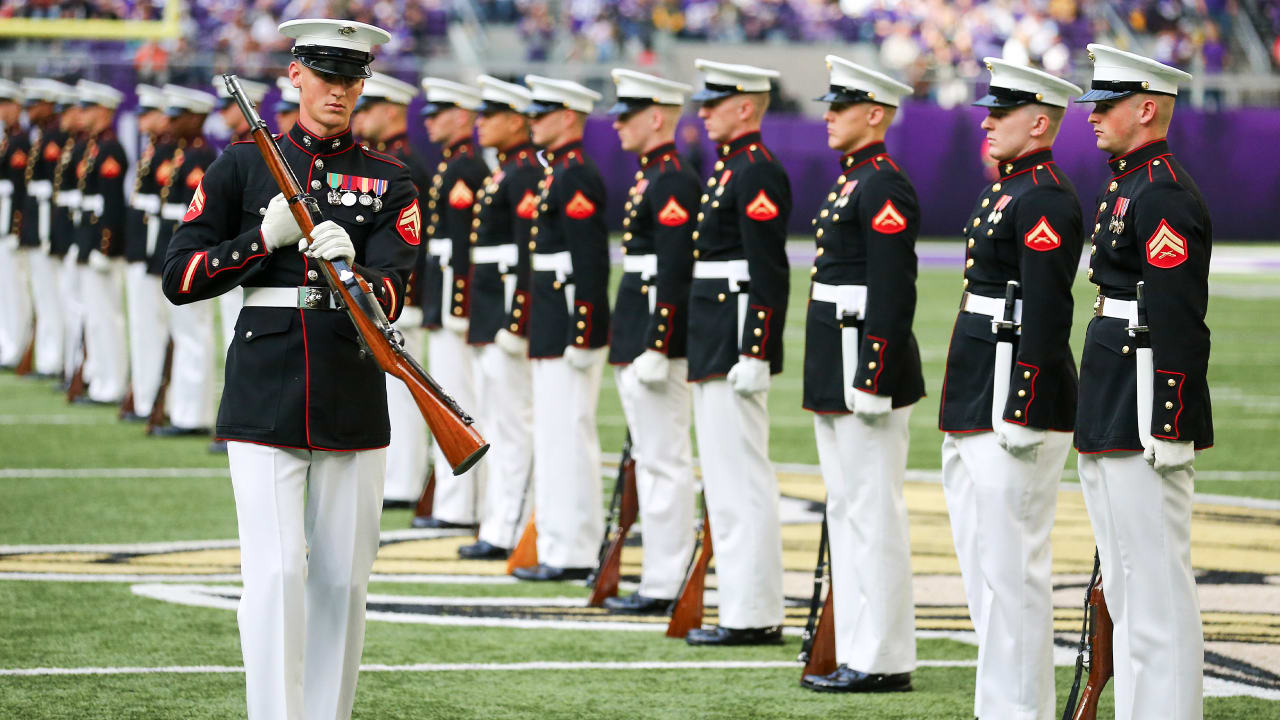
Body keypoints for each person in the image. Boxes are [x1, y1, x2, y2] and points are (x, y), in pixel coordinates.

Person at [162, 18, 417, 720]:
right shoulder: (242, 166)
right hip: (265, 380)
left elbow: (397, 289)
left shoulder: (390, 180)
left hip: (351, 381)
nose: (338, 91)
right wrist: (259, 239)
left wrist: (355, 274)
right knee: (274, 576)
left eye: (350, 78)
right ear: (295, 76)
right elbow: (180, 275)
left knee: (342, 583)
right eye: (325, 76)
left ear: (363, 85)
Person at [938, 58, 1084, 717]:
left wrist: (1024, 406)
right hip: (979, 390)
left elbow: (1048, 314)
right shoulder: (1010, 189)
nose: (989, 121)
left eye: (1003, 112)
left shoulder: (1045, 196)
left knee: (1011, 572)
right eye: (990, 111)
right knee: (984, 570)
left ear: (1042, 120)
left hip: (1012, 398)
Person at [1073, 43, 1210, 720]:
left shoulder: (1160, 191)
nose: (1092, 115)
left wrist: (1171, 420)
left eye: (1107, 103)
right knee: (1126, 585)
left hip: (1143, 398)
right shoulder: (1130, 182)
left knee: (1154, 584)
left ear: (1147, 107)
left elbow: (1178, 320)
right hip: (1113, 392)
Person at [797, 56, 923, 691]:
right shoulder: (855, 181)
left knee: (872, 512)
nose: (827, 116)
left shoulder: (882, 185)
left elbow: (893, 290)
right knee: (848, 509)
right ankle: (856, 645)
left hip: (862, 368)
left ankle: (883, 656)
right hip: (837, 362)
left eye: (839, 106)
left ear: (874, 113)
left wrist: (874, 375)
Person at [683, 59, 790, 645]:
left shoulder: (755, 171)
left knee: (741, 478)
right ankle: (741, 606)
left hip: (733, 337)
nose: (702, 112)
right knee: (723, 480)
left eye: (714, 102)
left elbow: (766, 270)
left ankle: (754, 612)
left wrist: (756, 349)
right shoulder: (731, 169)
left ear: (746, 105)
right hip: (714, 333)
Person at [601, 68, 698, 614]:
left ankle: (666, 580)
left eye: (628, 116)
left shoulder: (672, 179)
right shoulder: (652, 176)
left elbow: (674, 266)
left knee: (664, 460)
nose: (617, 125)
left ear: (656, 117)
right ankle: (658, 573)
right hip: (635, 326)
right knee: (653, 457)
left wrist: (660, 342)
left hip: (652, 337)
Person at [511, 74, 610, 582]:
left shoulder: (575, 175)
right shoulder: (558, 172)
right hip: (552, 322)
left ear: (568, 116)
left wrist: (585, 333)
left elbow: (590, 262)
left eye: (542, 113)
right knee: (553, 436)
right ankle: (557, 541)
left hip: (568, 321)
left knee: (569, 434)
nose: (532, 122)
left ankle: (573, 548)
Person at [457, 74, 540, 560]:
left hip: (506, 310)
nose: (481, 123)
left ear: (516, 121)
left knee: (513, 423)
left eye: (491, 115)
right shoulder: (505, 171)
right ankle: (499, 519)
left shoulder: (525, 173)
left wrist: (516, 320)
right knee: (497, 418)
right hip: (490, 310)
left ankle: (509, 526)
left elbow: (530, 256)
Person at [413, 76, 488, 528]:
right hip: (444, 293)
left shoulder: (465, 169)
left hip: (454, 299)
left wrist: (457, 306)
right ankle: (453, 501)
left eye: (439, 114)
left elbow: (462, 246)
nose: (431, 122)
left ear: (462, 116)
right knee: (448, 393)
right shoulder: (452, 166)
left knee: (457, 396)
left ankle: (461, 505)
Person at [356, 71, 431, 509]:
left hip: (402, 297)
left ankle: (406, 479)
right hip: (386, 295)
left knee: (402, 391)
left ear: (391, 111)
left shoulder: (405, 166)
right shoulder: (384, 160)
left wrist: (409, 297)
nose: (361, 118)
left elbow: (413, 239)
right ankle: (398, 475)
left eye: (368, 109)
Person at [149, 85, 220, 437]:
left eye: (179, 117)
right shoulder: (181, 154)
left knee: (194, 333)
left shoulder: (201, 157)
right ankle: (183, 409)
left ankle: (193, 415)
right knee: (183, 331)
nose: (170, 123)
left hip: (195, 259)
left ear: (197, 119)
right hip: (177, 255)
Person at [73, 80, 131, 405]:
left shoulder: (110, 148)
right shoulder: (94, 146)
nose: (83, 115)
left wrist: (104, 247)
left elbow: (111, 204)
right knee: (95, 316)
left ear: (105, 111)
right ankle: (100, 378)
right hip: (88, 239)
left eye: (89, 108)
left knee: (106, 316)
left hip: (101, 244)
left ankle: (112, 382)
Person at [121, 84, 171, 422]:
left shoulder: (170, 153)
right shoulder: (155, 151)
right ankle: (143, 393)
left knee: (157, 327)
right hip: (143, 249)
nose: (141, 121)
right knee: (142, 327)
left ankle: (155, 396)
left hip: (158, 251)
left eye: (148, 114)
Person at [16, 79, 70, 379]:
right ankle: (48, 357)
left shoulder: (56, 138)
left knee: (53, 296)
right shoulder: (42, 137)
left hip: (50, 227)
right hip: (39, 225)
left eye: (36, 105)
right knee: (44, 296)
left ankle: (54, 358)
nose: (31, 111)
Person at [0, 79, 32, 371]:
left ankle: (17, 346)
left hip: (12, 225)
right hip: (4, 224)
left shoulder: (21, 140)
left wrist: (16, 227)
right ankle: (7, 343)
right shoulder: (9, 139)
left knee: (15, 289)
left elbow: (21, 190)